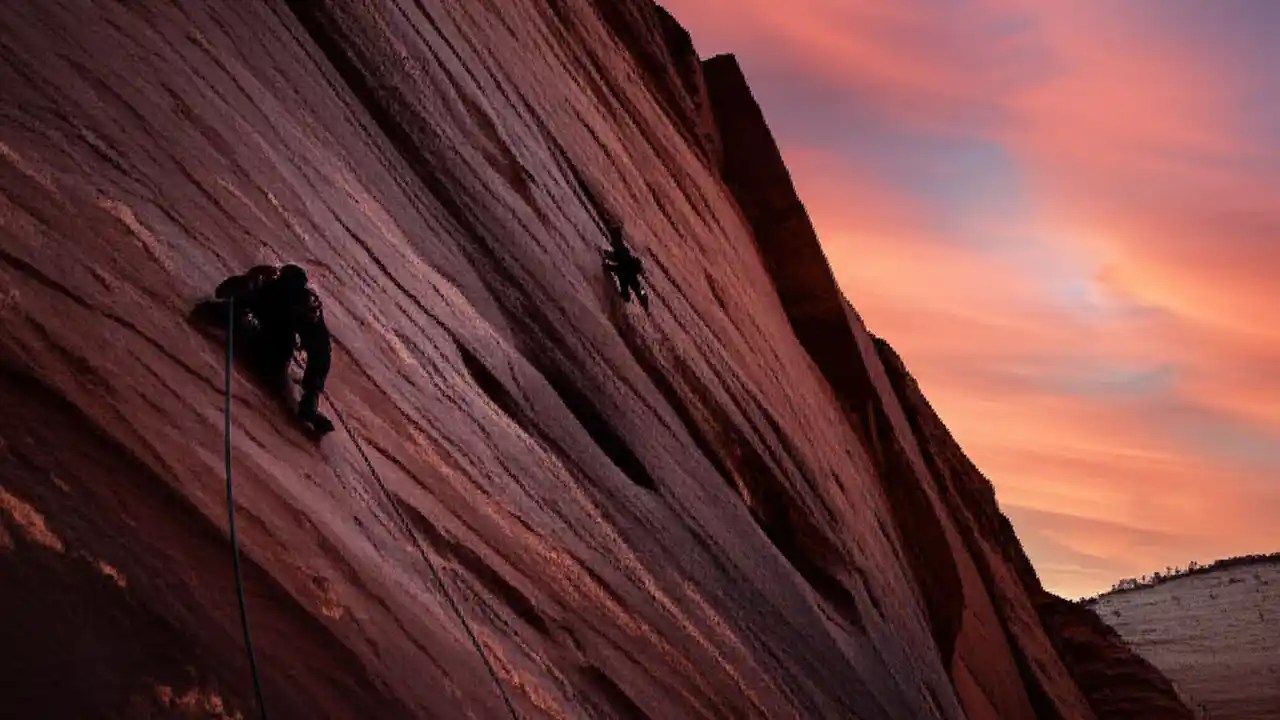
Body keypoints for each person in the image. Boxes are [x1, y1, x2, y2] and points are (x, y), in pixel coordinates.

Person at [204, 263, 334, 433]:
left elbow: (320, 355)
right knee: (231, 316)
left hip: (270, 347)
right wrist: (312, 395)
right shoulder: (266, 284)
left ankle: (306, 407)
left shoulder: (304, 309)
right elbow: (320, 357)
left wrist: (311, 395)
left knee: (226, 316)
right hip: (261, 339)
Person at [602, 221, 648, 309]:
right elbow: (639, 291)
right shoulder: (626, 260)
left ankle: (615, 229)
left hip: (622, 272)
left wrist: (608, 266)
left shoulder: (625, 257)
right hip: (622, 271)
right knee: (626, 291)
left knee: (625, 290)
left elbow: (639, 290)